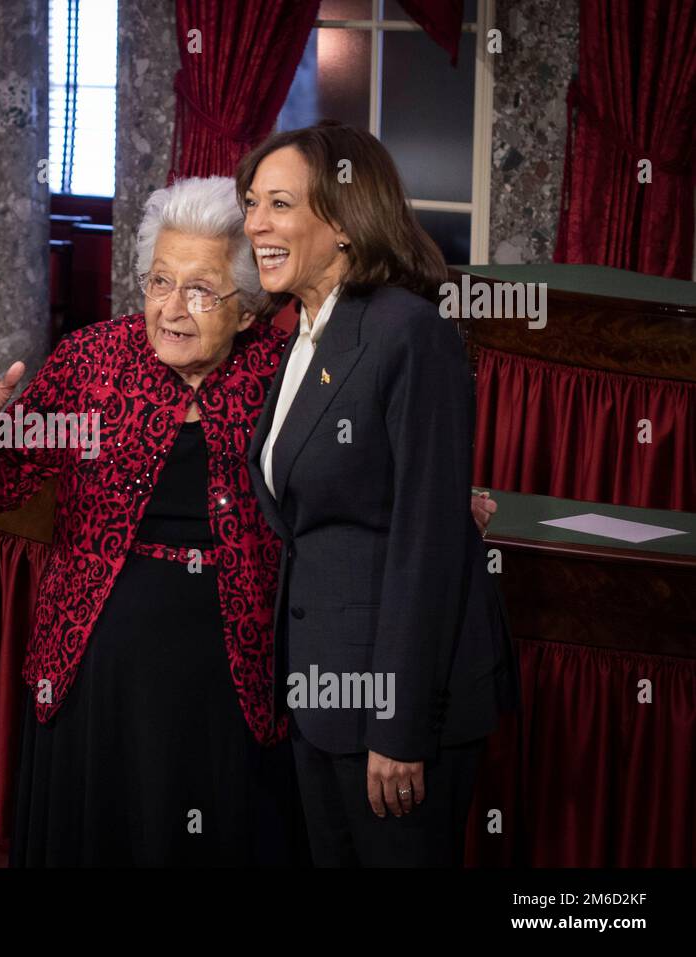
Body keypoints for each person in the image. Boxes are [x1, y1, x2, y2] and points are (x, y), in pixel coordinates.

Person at [0, 176, 495, 866]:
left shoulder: (288, 372)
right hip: (96, 667)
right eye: (159, 282)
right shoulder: (94, 361)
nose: (172, 308)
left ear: (247, 308)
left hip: (242, 671)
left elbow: (353, 487)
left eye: (200, 289)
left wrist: (438, 497)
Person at [240, 121, 519, 867]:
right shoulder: (303, 333)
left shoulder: (410, 334)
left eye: (277, 203)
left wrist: (395, 729)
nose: (254, 223)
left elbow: (426, 547)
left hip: (388, 718)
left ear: (341, 220)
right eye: (251, 202)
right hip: (321, 696)